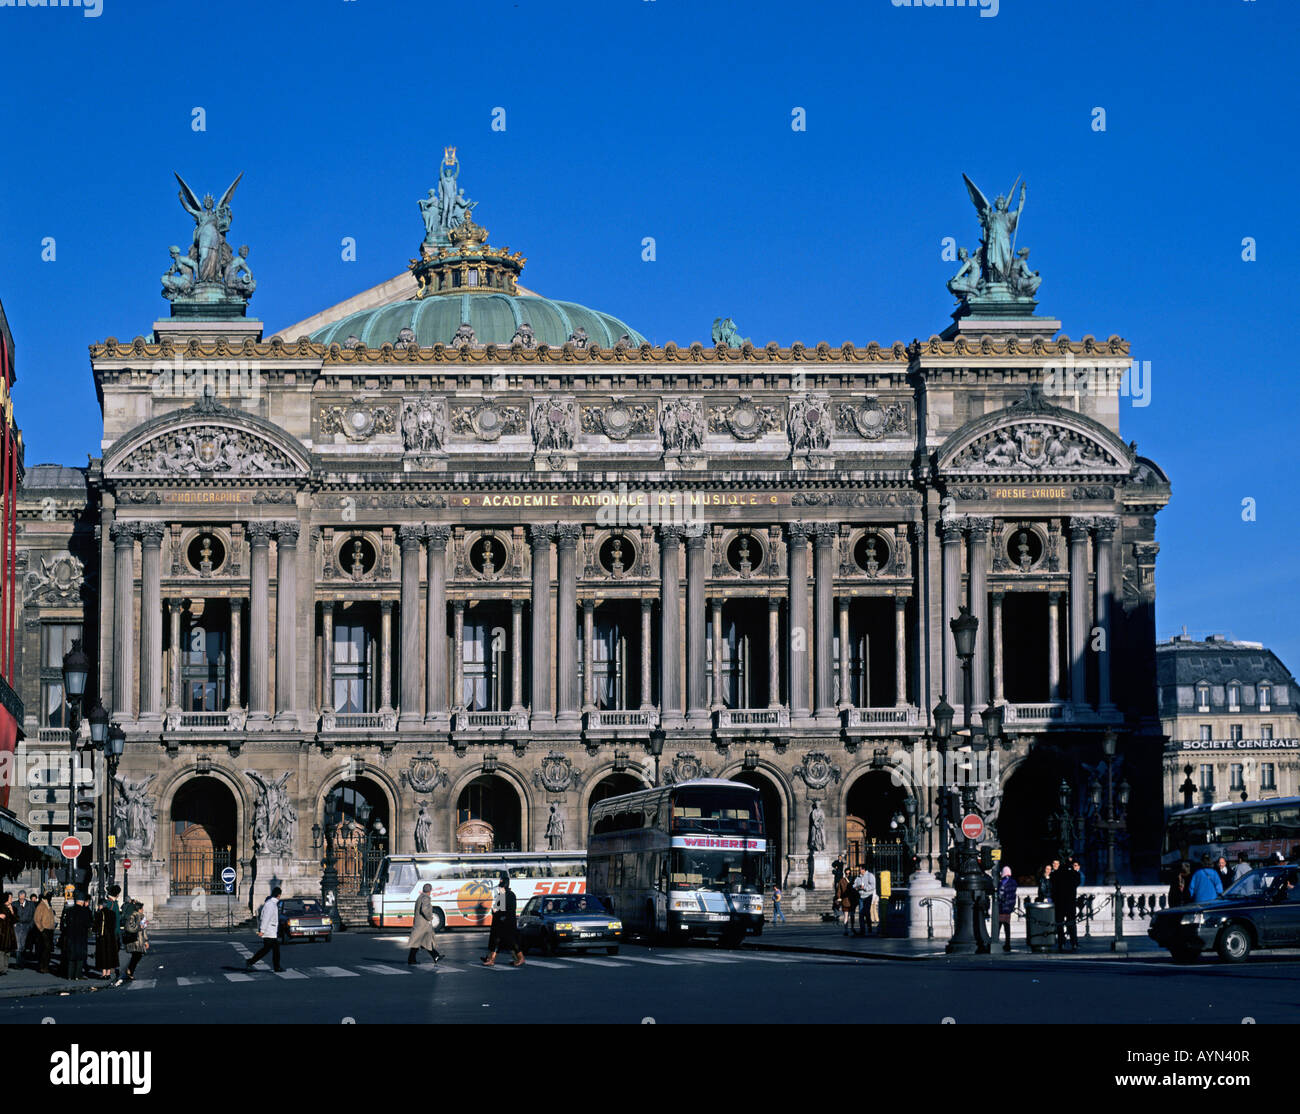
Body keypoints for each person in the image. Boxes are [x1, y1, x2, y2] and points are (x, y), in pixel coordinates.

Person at [482, 872, 524, 967]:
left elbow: (507, 910)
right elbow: (497, 909)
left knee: (511, 942)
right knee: (496, 941)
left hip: (508, 923)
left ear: (504, 886)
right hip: (500, 923)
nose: (499, 889)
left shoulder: (510, 895)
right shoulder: (501, 896)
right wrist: (495, 910)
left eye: (500, 887)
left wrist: (497, 910)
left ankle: (521, 958)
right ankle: (491, 959)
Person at [246, 887, 285, 973]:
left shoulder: (271, 904)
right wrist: (262, 931)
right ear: (279, 895)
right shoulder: (271, 904)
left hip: (271, 931)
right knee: (270, 950)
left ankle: (251, 961)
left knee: (269, 949)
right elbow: (265, 918)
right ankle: (276, 967)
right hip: (269, 931)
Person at [406, 882, 441, 966]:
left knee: (423, 941)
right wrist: (429, 917)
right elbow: (424, 909)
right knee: (421, 941)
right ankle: (411, 959)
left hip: (420, 924)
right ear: (430, 890)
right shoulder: (426, 898)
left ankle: (435, 956)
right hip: (423, 924)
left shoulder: (420, 897)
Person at [115, 899, 149, 984]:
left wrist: (146, 940)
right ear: (139, 909)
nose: (143, 910)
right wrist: (139, 927)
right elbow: (129, 927)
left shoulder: (142, 916)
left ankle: (130, 971)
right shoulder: (133, 916)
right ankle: (130, 971)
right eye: (142, 908)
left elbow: (144, 930)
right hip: (135, 940)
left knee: (138, 955)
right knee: (136, 955)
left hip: (140, 940)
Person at [1050, 857, 1080, 952]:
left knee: (1060, 924)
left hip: (1059, 903)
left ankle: (1061, 943)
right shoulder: (1075, 874)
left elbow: (1053, 888)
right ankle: (1074, 943)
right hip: (1070, 902)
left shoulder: (1055, 874)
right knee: (1071, 923)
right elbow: (1076, 884)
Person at [61, 893, 92, 981]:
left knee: (71, 956)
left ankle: (70, 975)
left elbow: (66, 922)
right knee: (80, 956)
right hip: (81, 936)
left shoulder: (70, 910)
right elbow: (88, 923)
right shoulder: (84, 911)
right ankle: (78, 975)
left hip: (71, 936)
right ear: (82, 902)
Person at [93, 895, 120, 980]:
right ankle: (108, 973)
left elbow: (95, 927)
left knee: (102, 955)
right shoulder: (112, 913)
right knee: (110, 955)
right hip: (111, 937)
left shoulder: (99, 914)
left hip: (102, 937)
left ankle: (103, 973)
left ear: (101, 905)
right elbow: (114, 925)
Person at [33, 892, 55, 974]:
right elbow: (36, 919)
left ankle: (45, 966)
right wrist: (41, 929)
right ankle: (42, 966)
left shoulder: (48, 905)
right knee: (45, 949)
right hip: (44, 930)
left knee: (48, 949)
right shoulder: (41, 905)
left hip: (49, 929)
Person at [997, 866, 1018, 952]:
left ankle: (996, 941)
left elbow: (1000, 894)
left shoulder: (1003, 882)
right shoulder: (1013, 882)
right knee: (1007, 926)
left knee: (998, 926)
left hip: (1002, 907)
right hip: (1009, 907)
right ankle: (1008, 943)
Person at [853, 865, 877, 936]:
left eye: (860, 869)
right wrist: (856, 887)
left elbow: (873, 886)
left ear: (864, 869)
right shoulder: (858, 877)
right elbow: (854, 885)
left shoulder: (870, 876)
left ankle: (869, 926)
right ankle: (862, 930)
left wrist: (865, 888)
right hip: (861, 896)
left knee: (866, 912)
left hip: (868, 896)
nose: (859, 871)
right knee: (861, 913)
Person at [13, 891, 33, 969]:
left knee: (24, 945)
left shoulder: (30, 904)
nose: (21, 899)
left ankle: (23, 961)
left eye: (22, 898)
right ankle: (19, 963)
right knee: (18, 945)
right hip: (17, 926)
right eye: (20, 898)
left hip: (26, 926)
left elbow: (33, 915)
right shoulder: (14, 904)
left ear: (25, 897)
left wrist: (30, 925)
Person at [835, 871, 855, 936]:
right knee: (846, 916)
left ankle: (852, 927)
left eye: (849, 873)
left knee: (852, 915)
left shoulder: (853, 880)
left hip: (852, 900)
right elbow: (839, 890)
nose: (848, 874)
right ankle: (846, 930)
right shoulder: (842, 880)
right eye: (846, 873)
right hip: (845, 900)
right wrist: (839, 897)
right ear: (844, 873)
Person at [0, 893, 15, 975]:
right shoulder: (1, 907)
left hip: (9, 933)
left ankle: (5, 968)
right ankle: (1, 969)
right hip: (1, 932)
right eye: (10, 898)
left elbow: (15, 919)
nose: (11, 899)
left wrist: (12, 911)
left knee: (7, 952)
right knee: (1, 952)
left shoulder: (10, 908)